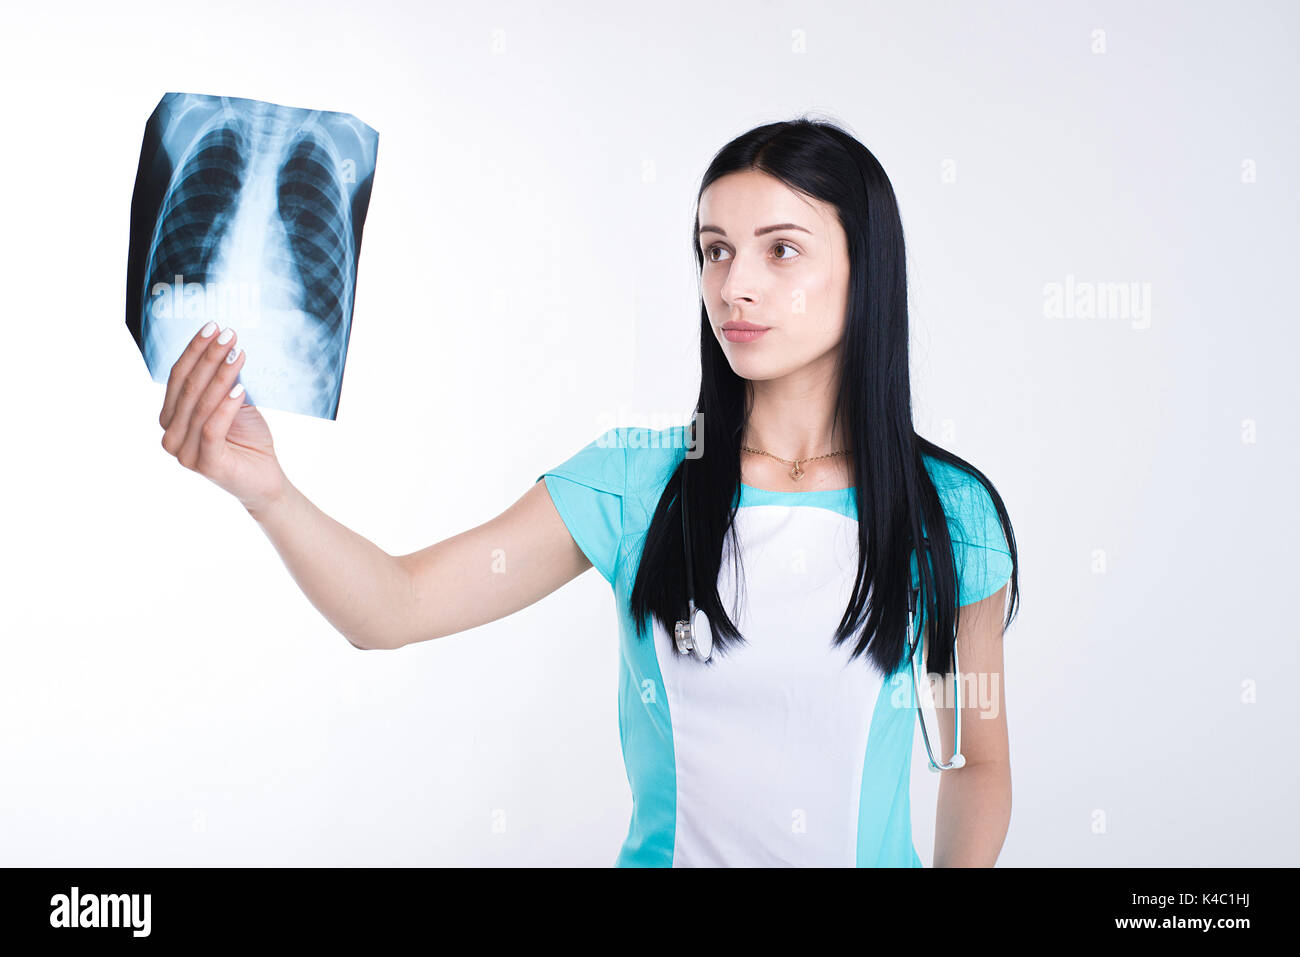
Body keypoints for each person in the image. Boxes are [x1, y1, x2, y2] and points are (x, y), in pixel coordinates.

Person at [158, 117, 1019, 868]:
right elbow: (394, 607)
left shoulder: (950, 514)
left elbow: (975, 761)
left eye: (780, 249)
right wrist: (266, 492)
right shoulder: (636, 478)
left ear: (866, 270)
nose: (733, 285)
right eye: (715, 249)